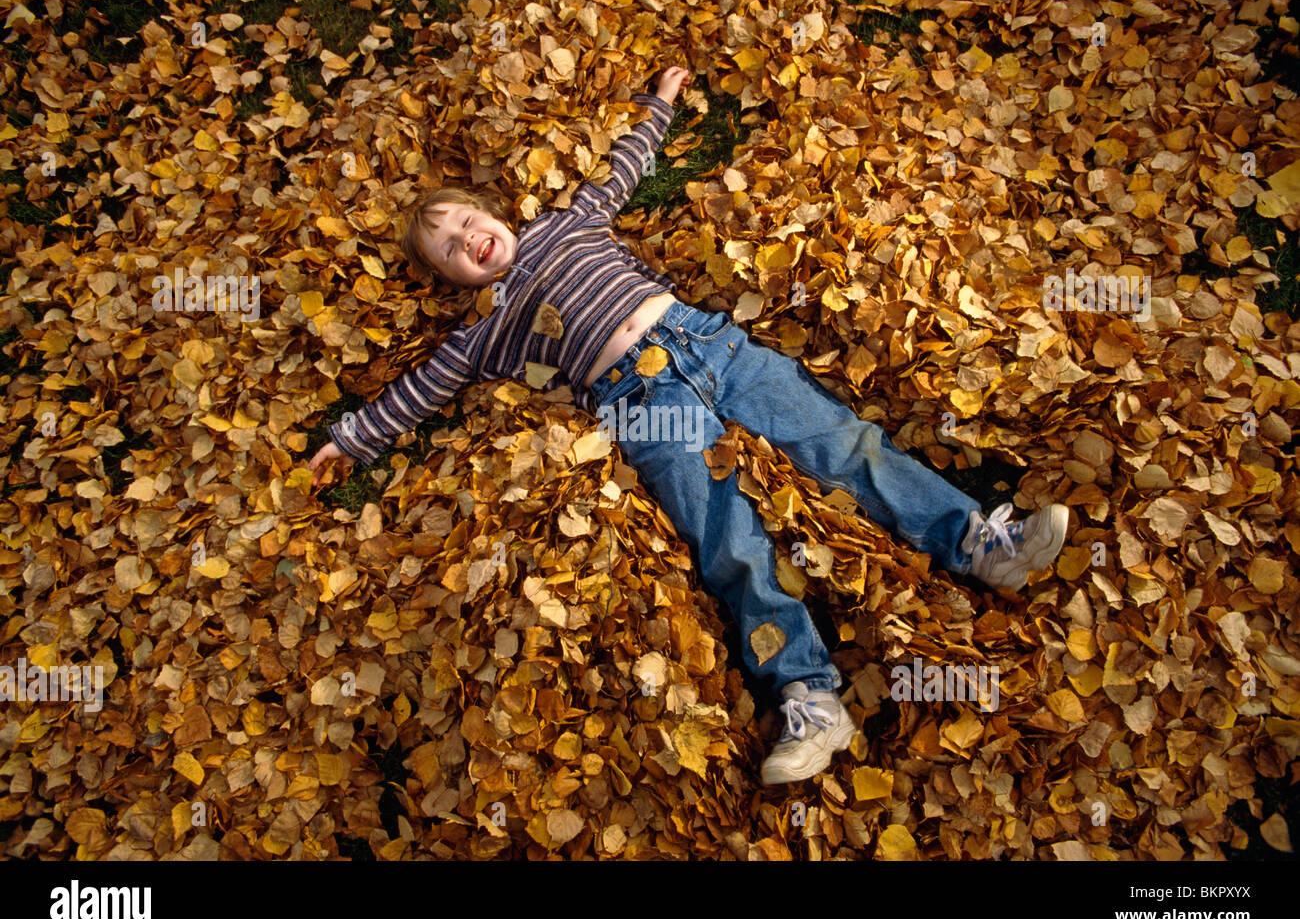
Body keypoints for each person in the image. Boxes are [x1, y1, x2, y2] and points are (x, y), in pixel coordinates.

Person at [308, 66, 1069, 785]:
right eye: (450, 250)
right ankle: (809, 699)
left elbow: (622, 170)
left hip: (711, 344)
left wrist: (662, 104)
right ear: (453, 280)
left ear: (496, 214)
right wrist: (349, 439)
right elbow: (419, 390)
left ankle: (977, 542)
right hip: (644, 408)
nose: (468, 239)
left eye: (468, 221)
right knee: (728, 542)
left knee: (843, 443)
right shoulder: (487, 329)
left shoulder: (569, 223)